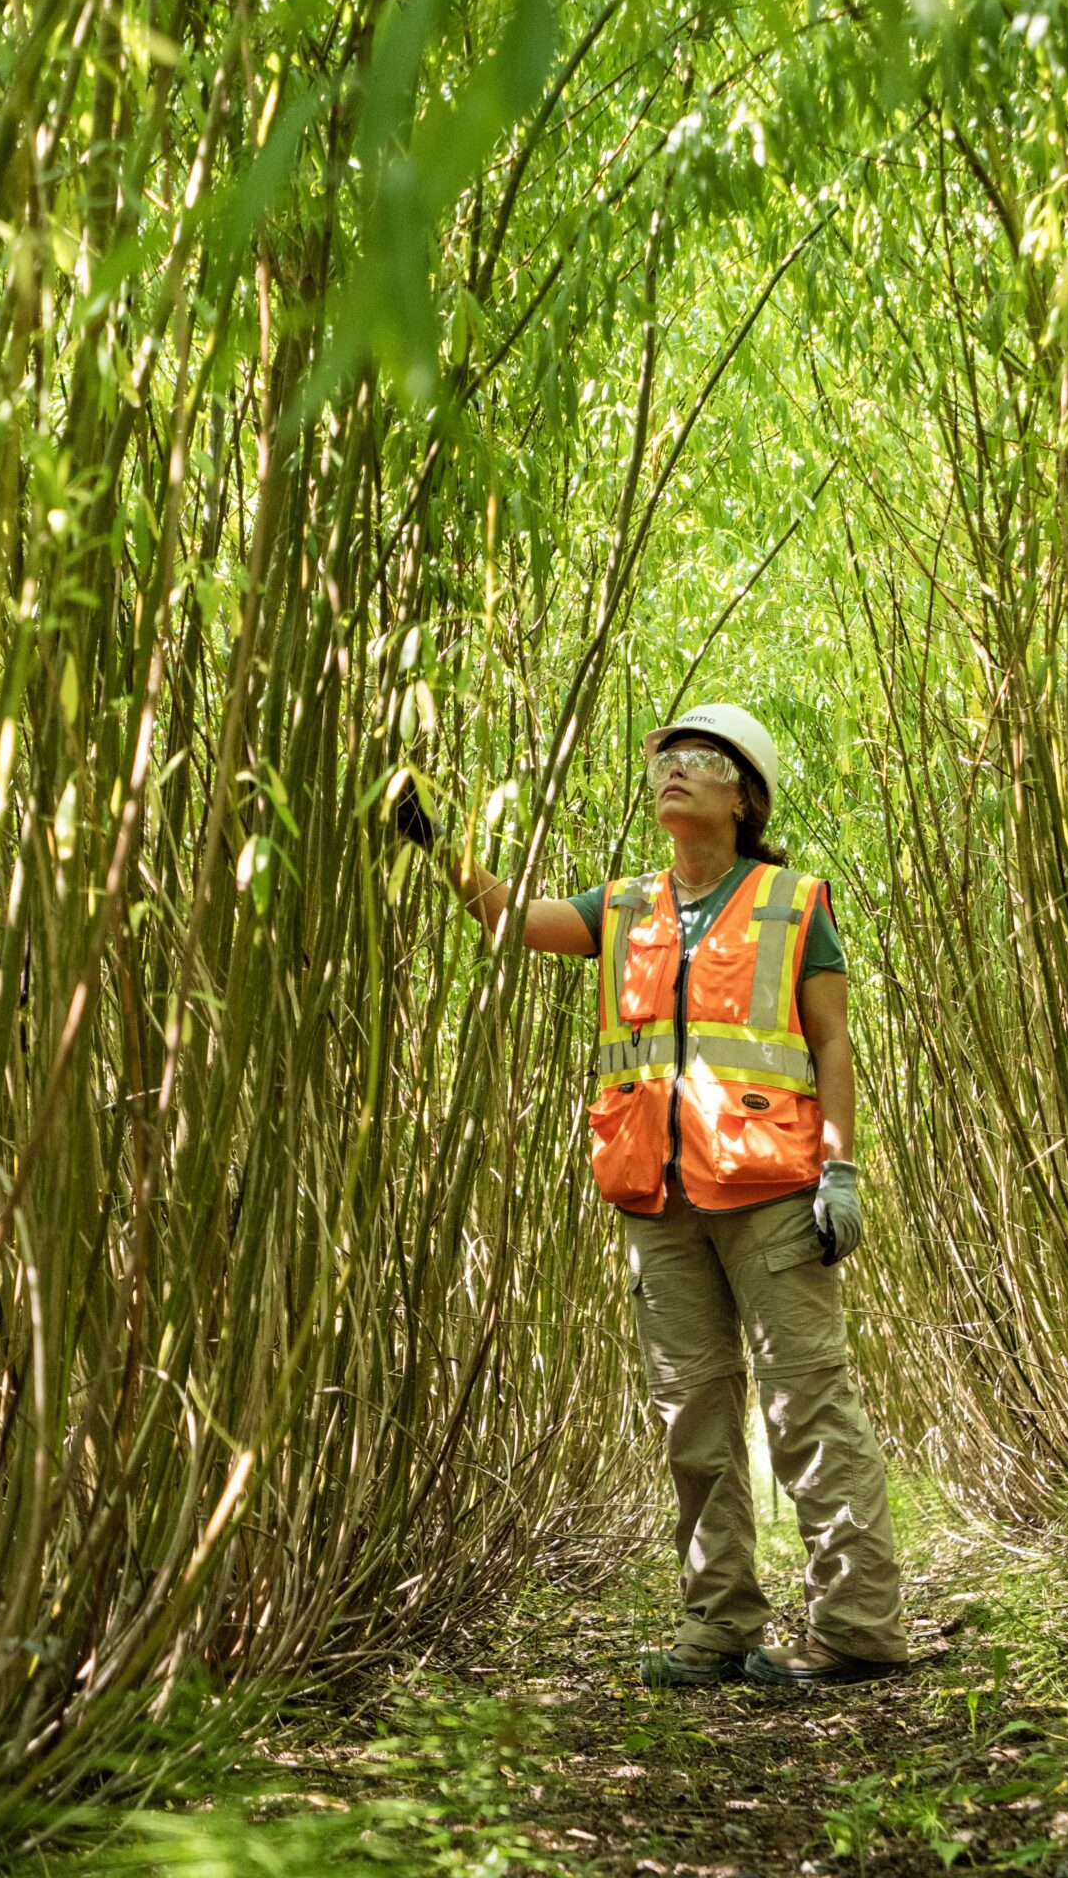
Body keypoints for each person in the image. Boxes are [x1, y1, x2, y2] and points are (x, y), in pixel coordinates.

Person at [395, 703, 909, 1687]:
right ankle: (718, 1625)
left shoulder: (793, 902)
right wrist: (439, 836)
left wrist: (842, 1168)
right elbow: (509, 917)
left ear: (743, 795)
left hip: (769, 1190)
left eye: (701, 759)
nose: (675, 770)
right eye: (666, 755)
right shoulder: (623, 905)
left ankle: (856, 1625)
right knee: (692, 1417)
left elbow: (832, 1040)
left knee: (808, 1402)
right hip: (656, 1198)